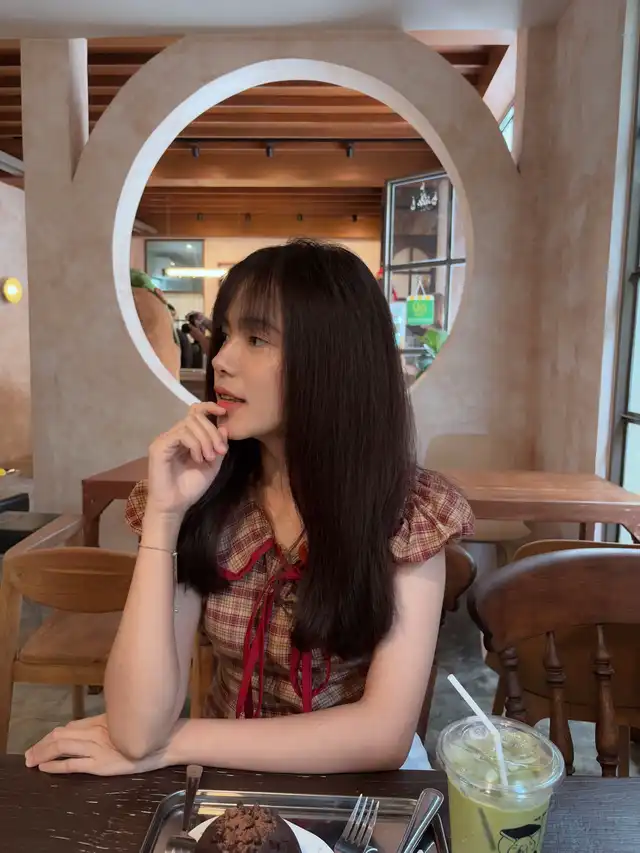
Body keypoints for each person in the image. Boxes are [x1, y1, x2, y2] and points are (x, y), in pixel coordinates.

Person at [25, 240, 474, 776]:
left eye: (257, 338)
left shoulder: (409, 511)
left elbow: (382, 735)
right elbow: (136, 728)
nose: (220, 359)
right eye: (226, 333)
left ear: (333, 361)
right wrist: (165, 518)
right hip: (227, 782)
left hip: (357, 793)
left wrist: (176, 744)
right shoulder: (208, 497)